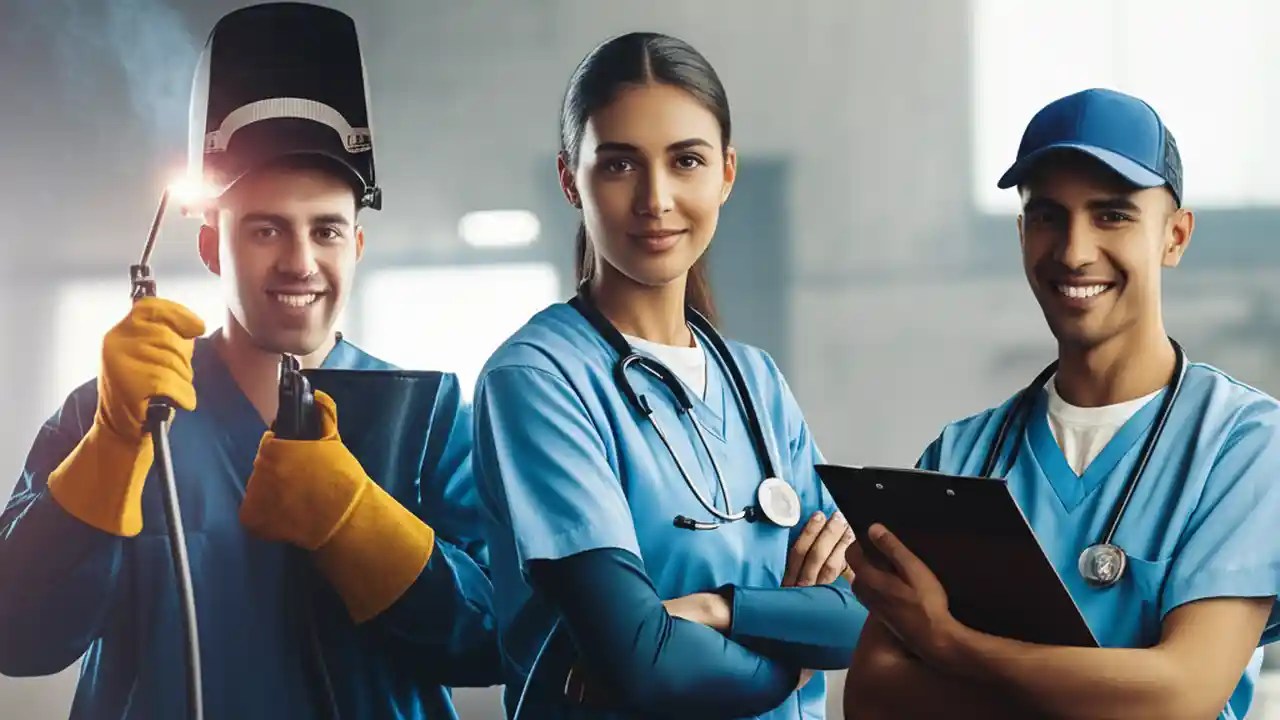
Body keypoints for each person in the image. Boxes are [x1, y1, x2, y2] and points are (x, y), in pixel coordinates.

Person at [0, 4, 497, 718]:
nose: (300, 262)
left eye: (326, 229)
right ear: (211, 249)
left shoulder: (430, 419)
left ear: (356, 247)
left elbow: (493, 643)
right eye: (265, 229)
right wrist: (112, 448)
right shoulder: (106, 410)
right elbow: (19, 637)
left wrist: (356, 521)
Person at [843, 88, 1280, 720]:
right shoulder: (959, 455)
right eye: (1048, 216)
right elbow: (876, 694)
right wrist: (1098, 690)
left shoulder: (1242, 444)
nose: (1074, 251)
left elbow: (1180, 693)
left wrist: (954, 646)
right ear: (1022, 233)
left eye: (1112, 215)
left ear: (1175, 236)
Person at [471, 31, 867, 720]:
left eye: (686, 161)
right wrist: (795, 649)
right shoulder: (537, 380)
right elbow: (646, 666)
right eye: (620, 165)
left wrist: (719, 609)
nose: (656, 198)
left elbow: (867, 613)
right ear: (571, 178)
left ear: (726, 173)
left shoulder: (756, 383)